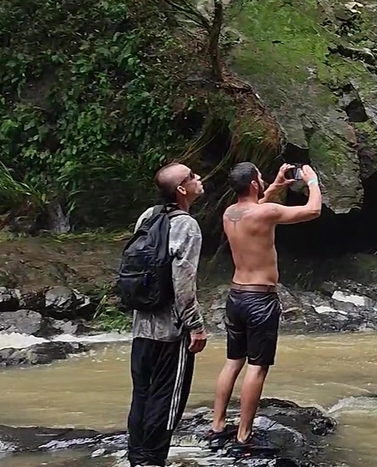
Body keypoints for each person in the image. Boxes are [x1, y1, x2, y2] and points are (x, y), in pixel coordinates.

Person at [204, 162, 321, 451]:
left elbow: (254, 206)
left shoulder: (230, 213)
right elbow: (313, 210)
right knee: (257, 368)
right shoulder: (266, 213)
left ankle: (217, 426)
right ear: (254, 184)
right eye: (261, 177)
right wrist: (312, 181)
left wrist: (277, 186)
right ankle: (244, 434)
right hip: (260, 299)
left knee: (233, 362)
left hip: (236, 297)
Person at [126, 163, 208, 467]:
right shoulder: (187, 225)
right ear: (182, 189)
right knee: (167, 400)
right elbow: (183, 280)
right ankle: (152, 460)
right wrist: (196, 326)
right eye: (193, 177)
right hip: (171, 331)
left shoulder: (147, 217)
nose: (199, 178)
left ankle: (137, 458)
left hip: (141, 326)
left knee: (142, 395)